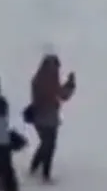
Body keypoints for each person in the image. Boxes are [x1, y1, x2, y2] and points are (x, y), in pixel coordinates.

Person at [26, 51, 76, 181]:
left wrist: (69, 85)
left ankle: (35, 168)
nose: (57, 69)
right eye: (55, 66)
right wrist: (69, 85)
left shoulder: (44, 79)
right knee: (49, 145)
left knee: (46, 144)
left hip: (46, 117)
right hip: (45, 117)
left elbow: (60, 95)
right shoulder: (43, 80)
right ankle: (44, 173)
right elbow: (60, 95)